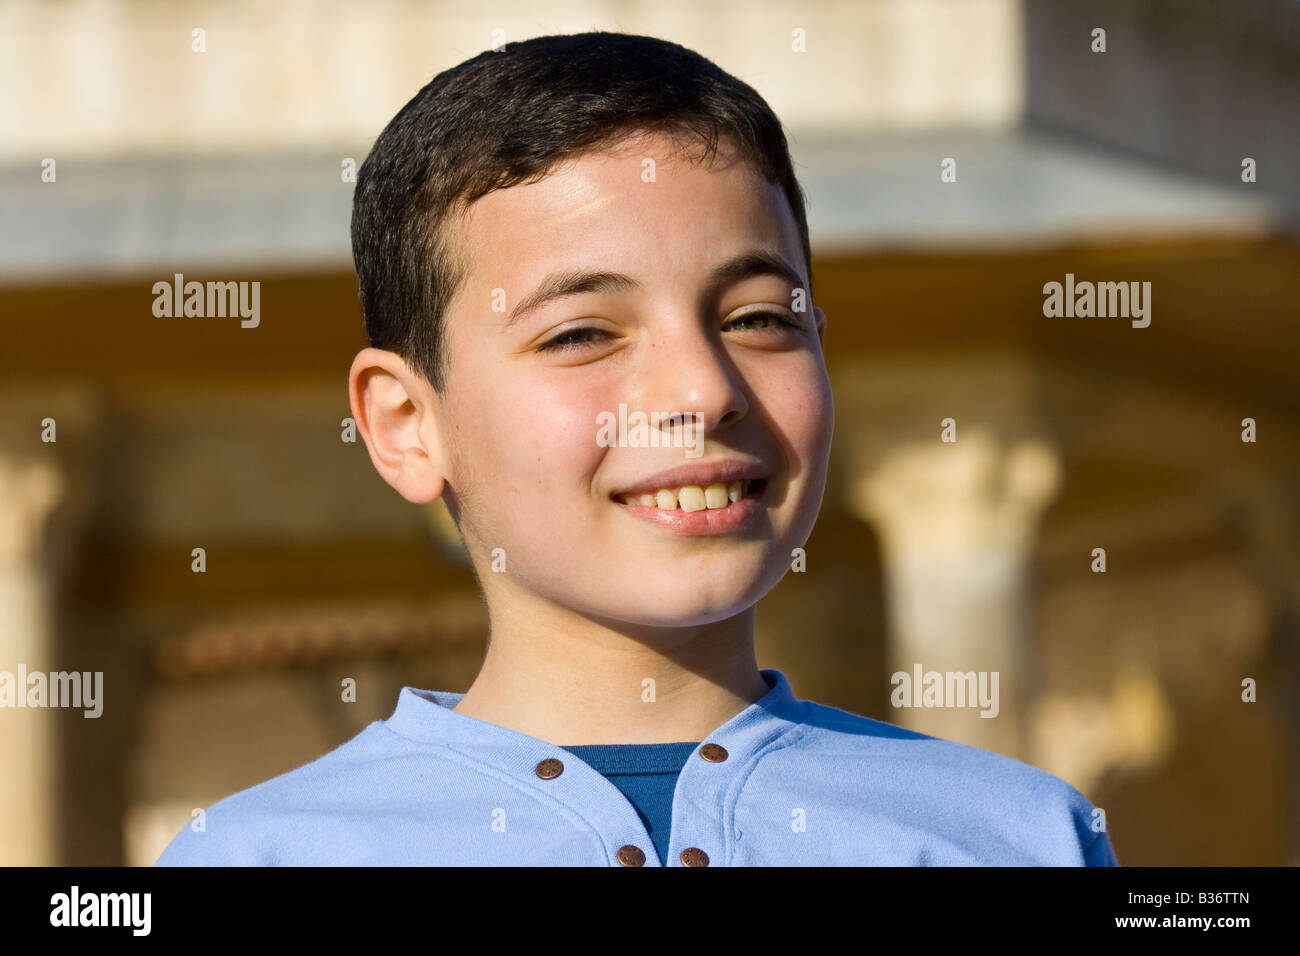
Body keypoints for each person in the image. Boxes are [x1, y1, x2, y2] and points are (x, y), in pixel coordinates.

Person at [156, 31, 1119, 866]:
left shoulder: (1020, 837)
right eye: (581, 333)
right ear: (408, 425)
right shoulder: (261, 856)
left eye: (756, 318)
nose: (703, 390)